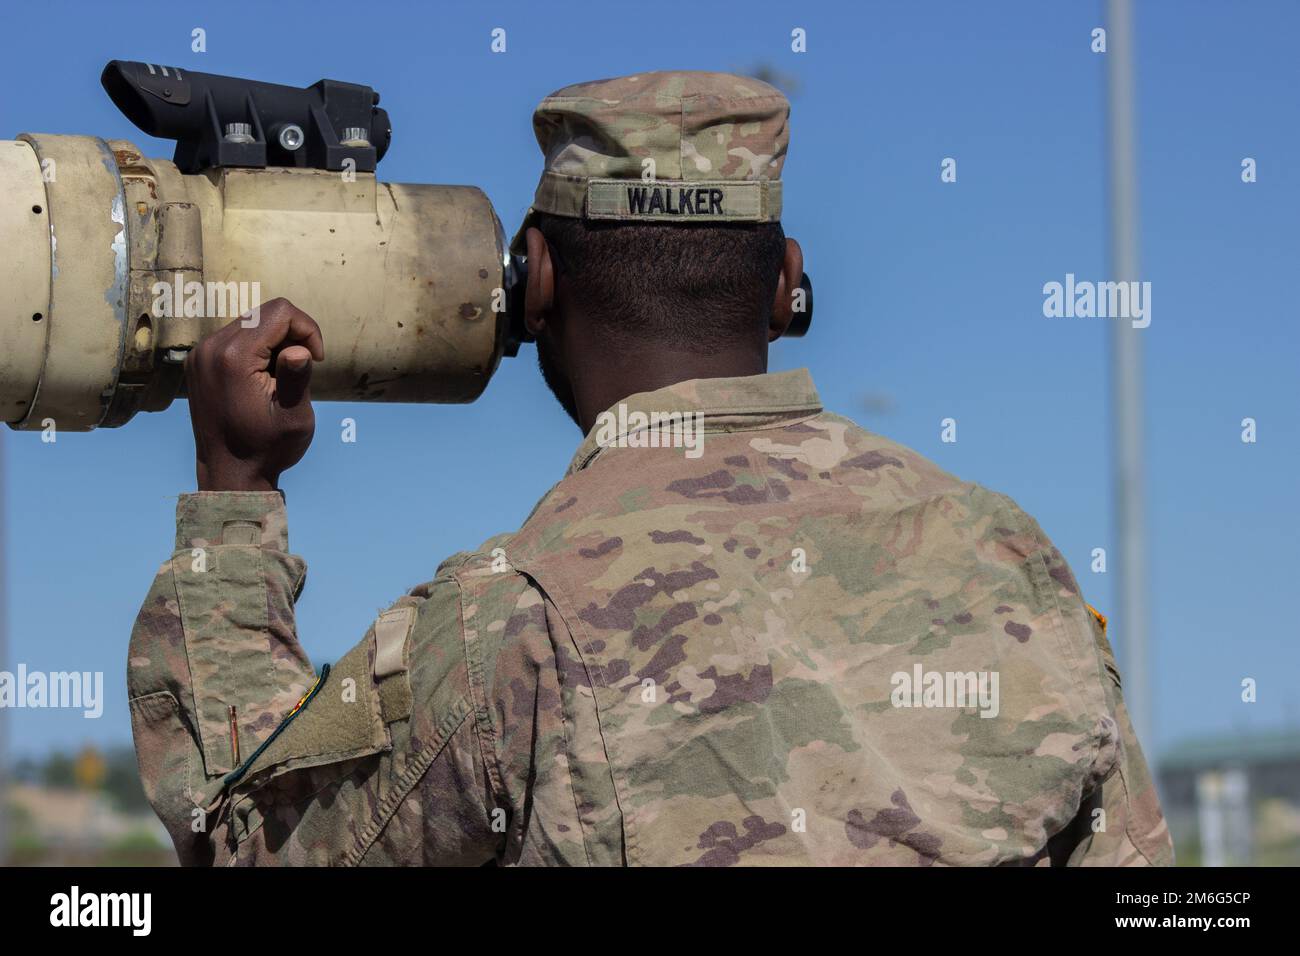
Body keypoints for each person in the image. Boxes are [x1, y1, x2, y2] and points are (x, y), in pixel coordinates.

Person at [128, 71, 1173, 866]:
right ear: (786, 287)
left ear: (535, 283)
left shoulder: (513, 623)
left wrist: (237, 492)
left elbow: (242, 839)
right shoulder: (1009, 556)